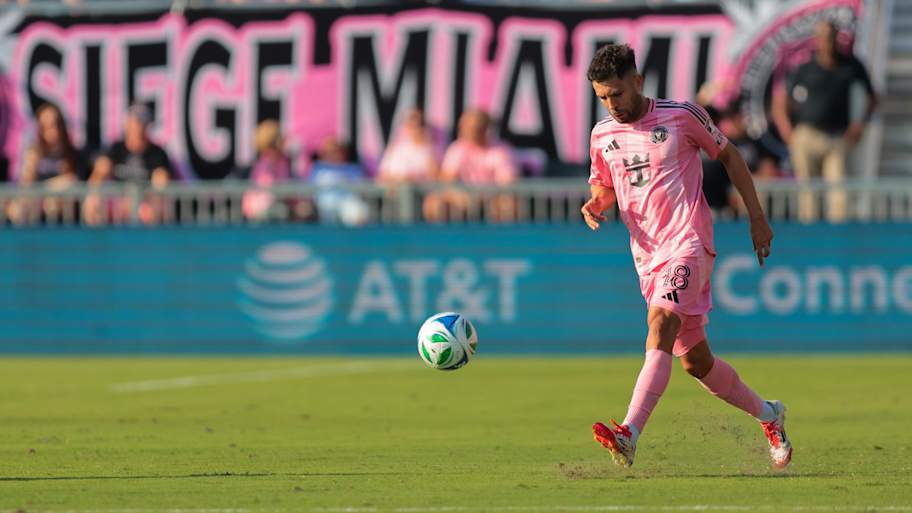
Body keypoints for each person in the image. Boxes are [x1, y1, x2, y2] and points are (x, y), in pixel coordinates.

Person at [581, 44, 791, 469]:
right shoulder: (602, 135)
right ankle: (770, 414)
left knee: (659, 323)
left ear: (637, 81)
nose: (611, 104)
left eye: (617, 93)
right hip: (647, 256)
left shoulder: (681, 115)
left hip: (689, 242)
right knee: (696, 362)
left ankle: (629, 433)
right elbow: (603, 186)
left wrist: (757, 217)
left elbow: (730, 156)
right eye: (603, 97)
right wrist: (596, 204)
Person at [771, 20, 877, 223]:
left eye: (832, 37)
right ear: (817, 40)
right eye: (824, 37)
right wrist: (788, 133)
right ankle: (810, 238)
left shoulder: (851, 65)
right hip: (807, 135)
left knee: (839, 195)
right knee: (808, 195)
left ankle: (839, 238)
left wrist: (859, 124)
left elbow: (872, 98)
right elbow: (780, 102)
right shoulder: (806, 68)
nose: (828, 42)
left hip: (837, 137)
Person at [84, 103, 174, 225]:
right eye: (135, 122)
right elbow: (96, 179)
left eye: (142, 123)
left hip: (144, 204)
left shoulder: (158, 153)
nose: (138, 127)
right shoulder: (116, 148)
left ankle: (151, 237)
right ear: (126, 124)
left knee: (153, 206)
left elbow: (161, 189)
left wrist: (134, 201)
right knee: (93, 201)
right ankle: (95, 237)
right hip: (118, 202)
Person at [425, 109, 518, 223]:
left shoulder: (501, 150)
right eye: (465, 127)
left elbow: (507, 184)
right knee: (434, 203)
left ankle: (501, 234)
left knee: (508, 204)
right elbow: (447, 179)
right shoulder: (457, 148)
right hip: (464, 200)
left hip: (492, 199)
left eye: (474, 127)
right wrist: (461, 196)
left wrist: (483, 198)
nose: (468, 131)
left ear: (485, 128)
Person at [8, 102, 81, 224]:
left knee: (54, 201)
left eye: (56, 124)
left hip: (62, 213)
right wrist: (31, 167)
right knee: (16, 209)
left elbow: (71, 182)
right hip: (36, 206)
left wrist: (45, 191)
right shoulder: (33, 152)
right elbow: (25, 188)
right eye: (46, 126)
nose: (52, 130)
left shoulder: (72, 153)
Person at [242, 119, 292, 221]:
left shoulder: (282, 163)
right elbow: (270, 192)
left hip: (271, 208)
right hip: (261, 210)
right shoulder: (264, 164)